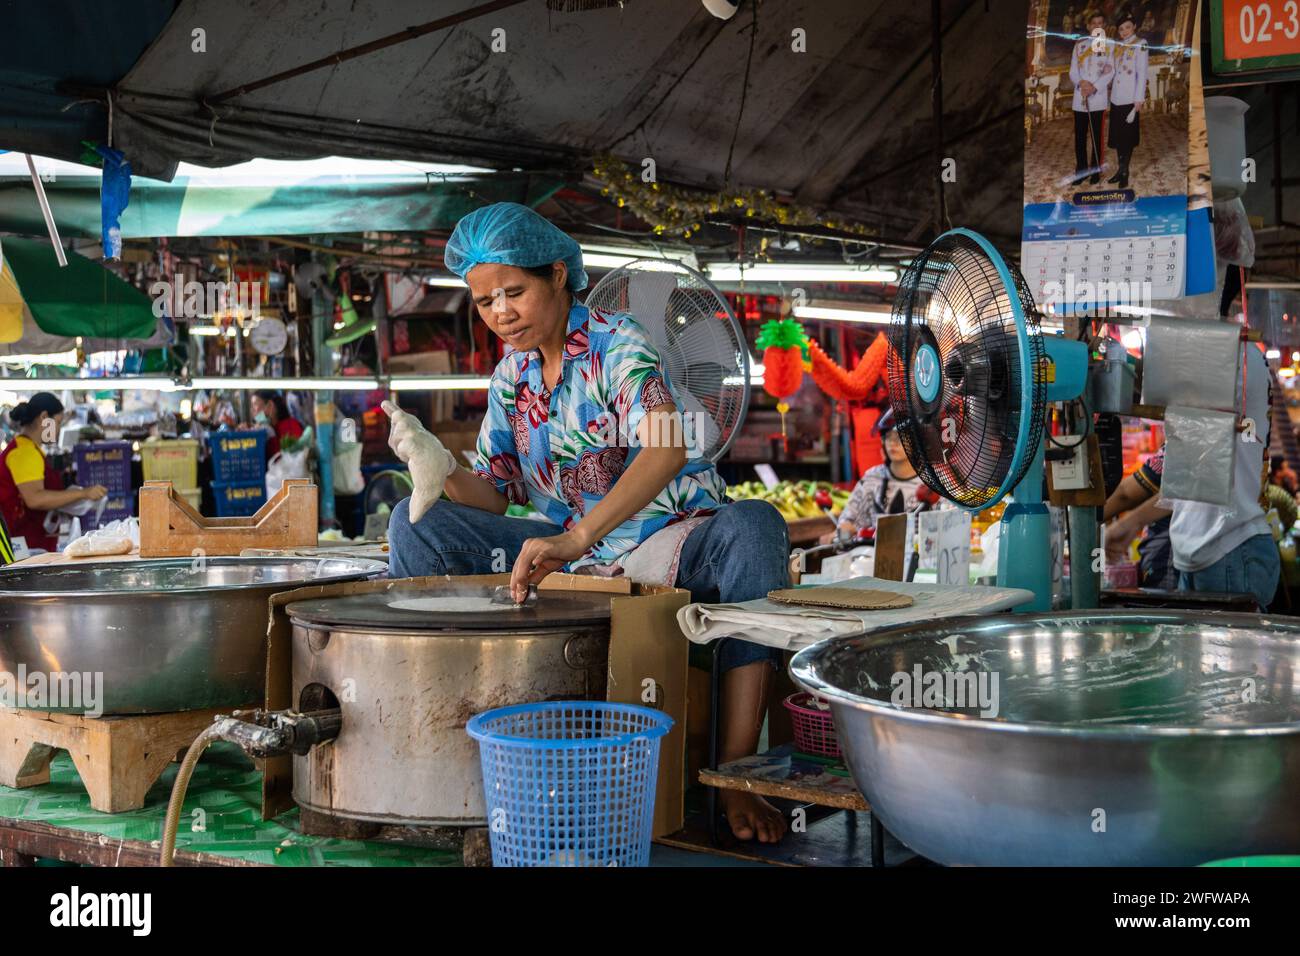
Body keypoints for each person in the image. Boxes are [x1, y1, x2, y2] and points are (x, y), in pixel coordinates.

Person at [385, 202, 792, 843]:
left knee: (757, 527)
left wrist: (577, 535)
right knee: (415, 526)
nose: (501, 313)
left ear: (557, 275)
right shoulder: (509, 378)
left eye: (514, 292)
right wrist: (436, 468)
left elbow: (665, 448)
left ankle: (735, 774)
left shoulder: (617, 339)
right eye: (485, 301)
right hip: (577, 560)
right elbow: (494, 494)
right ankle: (440, 738)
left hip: (673, 539)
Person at [1103, 343, 1279, 609]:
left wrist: (1128, 523)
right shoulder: (1220, 353)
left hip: (1229, 545)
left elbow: (1199, 470)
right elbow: (1190, 475)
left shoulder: (1230, 354)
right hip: (1204, 550)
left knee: (1227, 649)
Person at [0, 393, 106, 553]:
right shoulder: (24, 453)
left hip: (31, 541)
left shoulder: (30, 449)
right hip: (22, 545)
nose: (58, 429)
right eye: (57, 422)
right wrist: (84, 494)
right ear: (44, 417)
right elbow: (35, 499)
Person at [834, 412, 936, 539]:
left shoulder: (934, 481)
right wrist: (842, 532)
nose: (892, 443)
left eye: (900, 437)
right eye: (888, 436)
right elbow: (848, 520)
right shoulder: (872, 477)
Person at [1069, 10, 1114, 186]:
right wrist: (1082, 84)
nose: (1097, 26)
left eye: (1100, 23)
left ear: (1104, 26)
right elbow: (1073, 70)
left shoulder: (1109, 46)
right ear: (1088, 26)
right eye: (1094, 23)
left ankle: (1096, 169)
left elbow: (1111, 72)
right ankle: (1081, 171)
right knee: (1079, 136)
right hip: (1080, 97)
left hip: (1097, 98)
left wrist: (1093, 87)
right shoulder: (1079, 46)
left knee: (1097, 136)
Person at [1107, 11, 1147, 190]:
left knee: (1127, 137)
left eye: (1127, 27)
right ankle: (1119, 169)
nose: (1124, 32)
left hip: (1130, 98)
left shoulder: (1141, 44)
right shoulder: (1117, 46)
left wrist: (1139, 98)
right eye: (1121, 29)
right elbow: (1113, 70)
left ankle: (1125, 172)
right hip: (1116, 97)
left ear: (1134, 27)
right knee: (1117, 136)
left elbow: (1142, 73)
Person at [249, 390, 305, 457]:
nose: (252, 410)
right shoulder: (266, 430)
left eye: (255, 405)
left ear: (270, 405)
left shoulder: (290, 425)